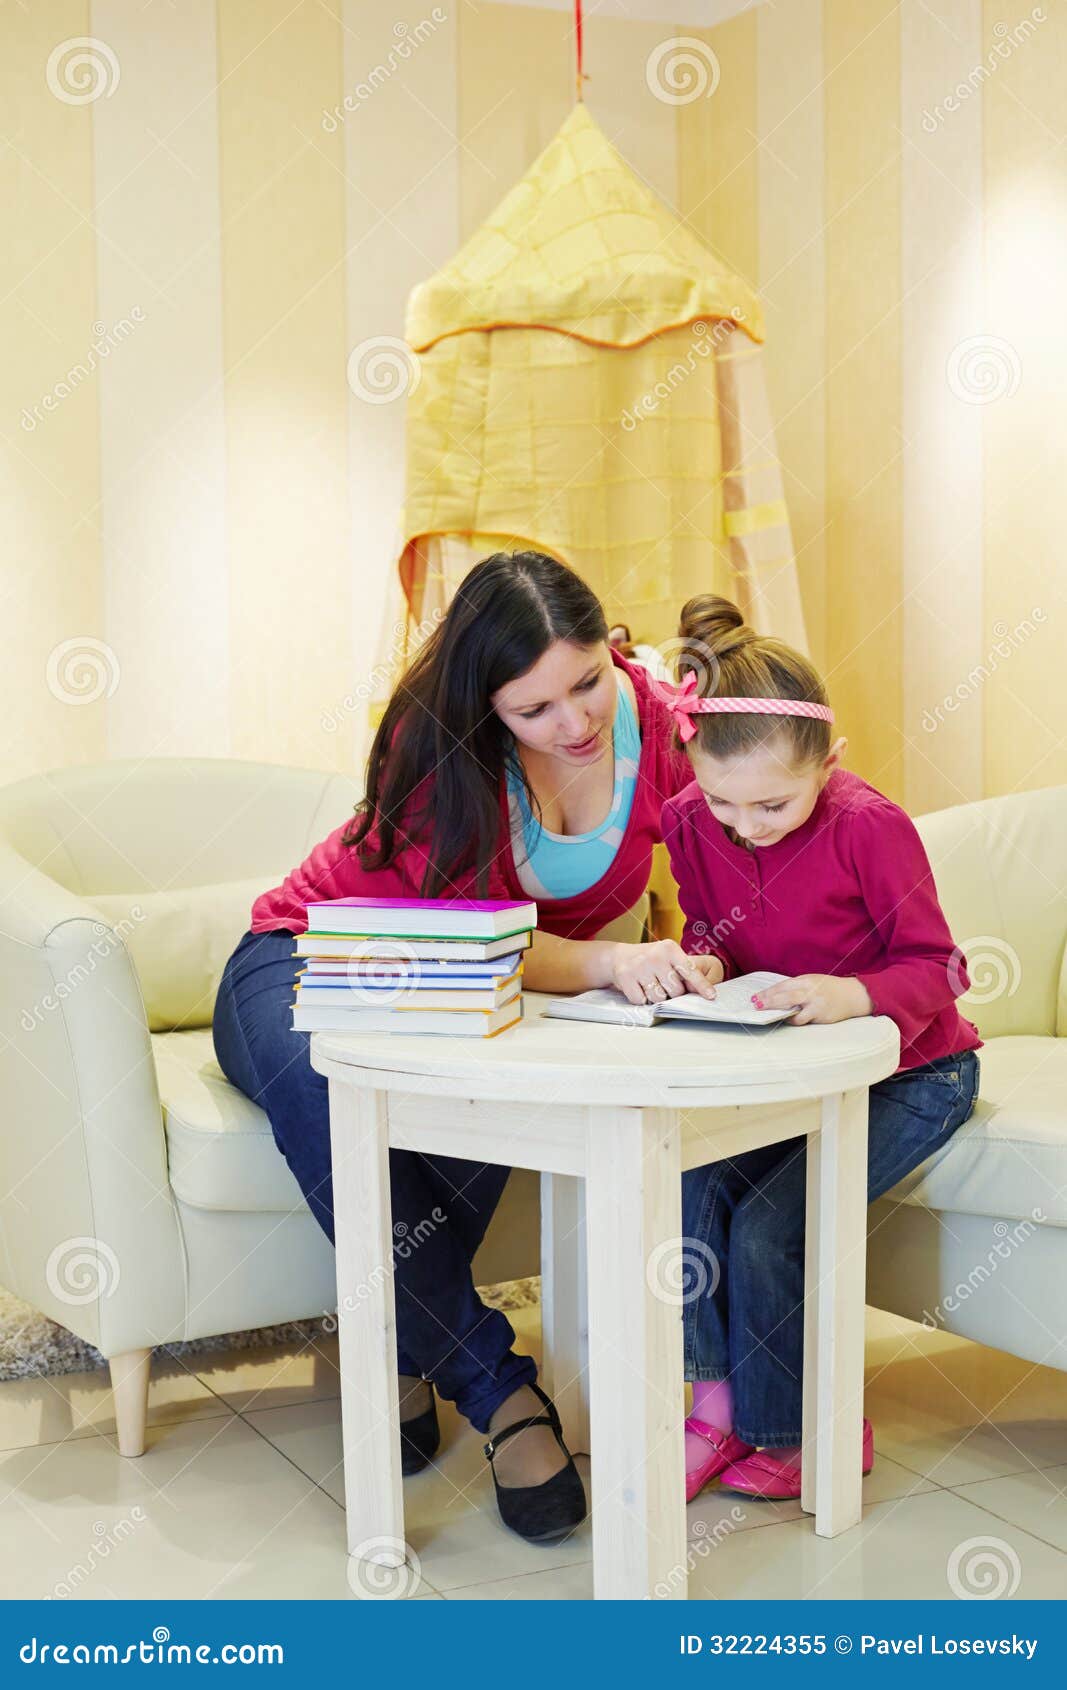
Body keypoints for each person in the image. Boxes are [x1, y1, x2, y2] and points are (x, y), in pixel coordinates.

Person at [212, 550, 720, 1543]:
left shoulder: (652, 720)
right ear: (485, 704)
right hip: (305, 957)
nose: (574, 722)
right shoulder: (434, 746)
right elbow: (483, 944)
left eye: (585, 683)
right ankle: (501, 1392)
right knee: (333, 1087)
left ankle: (407, 1345)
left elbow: (729, 829)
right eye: (534, 710)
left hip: (463, 993)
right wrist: (615, 966)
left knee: (481, 1097)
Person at [658, 593, 983, 1503]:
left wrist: (854, 994)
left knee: (769, 1226)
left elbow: (941, 966)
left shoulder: (868, 827)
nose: (745, 824)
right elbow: (707, 927)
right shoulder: (689, 819)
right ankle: (716, 1409)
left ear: (827, 763)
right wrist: (702, 959)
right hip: (788, 1072)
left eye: (771, 802)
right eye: (723, 801)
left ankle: (803, 1426)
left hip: (913, 1074)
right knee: (691, 1183)